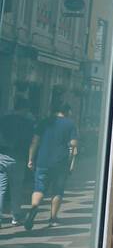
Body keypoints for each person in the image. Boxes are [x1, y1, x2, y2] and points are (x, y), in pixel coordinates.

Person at [24, 98, 78, 230]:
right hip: (61, 162)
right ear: (67, 111)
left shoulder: (43, 122)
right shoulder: (70, 124)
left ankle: (34, 208)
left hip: (43, 161)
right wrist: (71, 164)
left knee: (39, 188)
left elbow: (34, 142)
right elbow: (73, 147)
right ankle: (53, 218)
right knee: (57, 190)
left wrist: (30, 159)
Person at [0, 89, 36, 226]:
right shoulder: (27, 123)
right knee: (16, 188)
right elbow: (31, 141)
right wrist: (30, 159)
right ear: (24, 108)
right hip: (18, 158)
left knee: (0, 188)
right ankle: (16, 216)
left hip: (1, 156)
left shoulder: (3, 119)